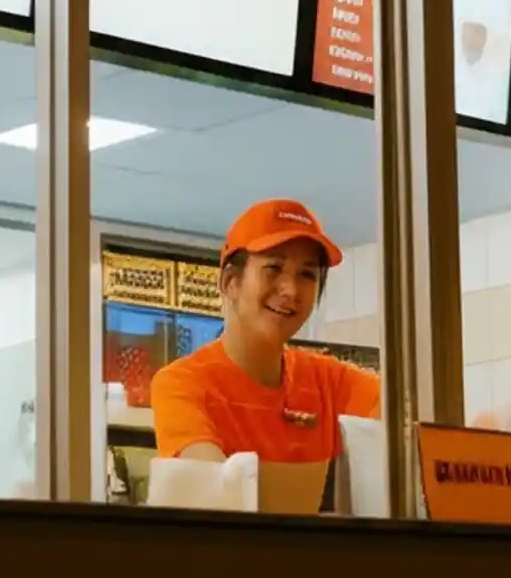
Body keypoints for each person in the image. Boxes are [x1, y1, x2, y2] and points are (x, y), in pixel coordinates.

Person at [150, 199, 381, 510]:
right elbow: (219, 492)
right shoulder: (182, 384)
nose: (291, 290)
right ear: (230, 282)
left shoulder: (330, 381)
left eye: (307, 275)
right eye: (274, 268)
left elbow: (414, 427)